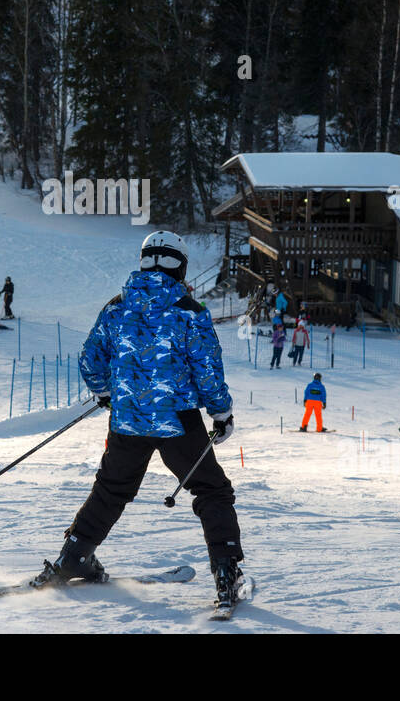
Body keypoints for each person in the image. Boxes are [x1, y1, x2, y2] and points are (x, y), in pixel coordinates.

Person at [38, 230, 245, 612]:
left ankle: (75, 556)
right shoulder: (188, 310)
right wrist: (220, 412)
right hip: (177, 420)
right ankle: (226, 571)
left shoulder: (117, 307)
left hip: (128, 419)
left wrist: (104, 392)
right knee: (210, 490)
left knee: (112, 488)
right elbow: (208, 369)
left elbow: (90, 359)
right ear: (179, 266)